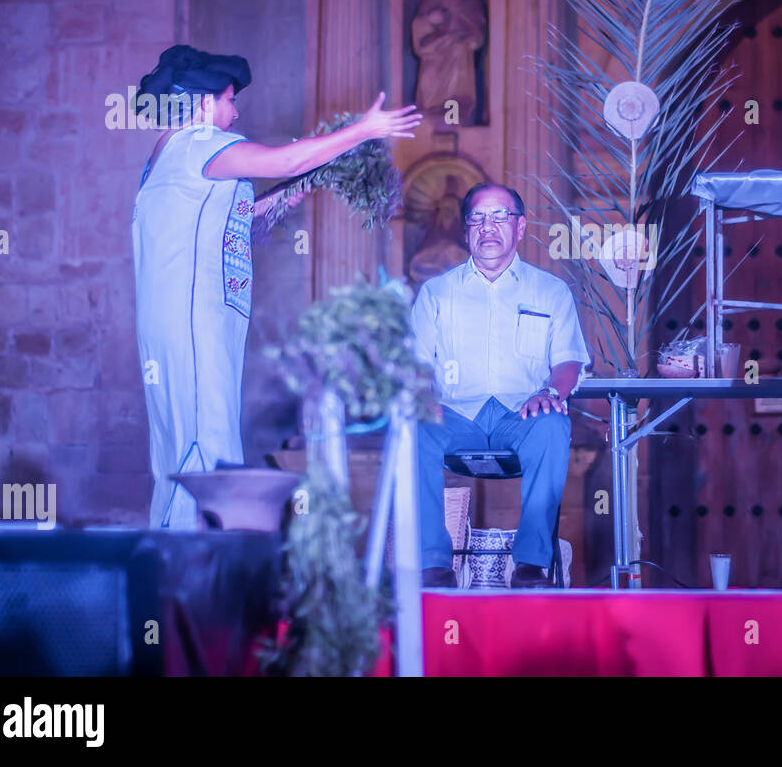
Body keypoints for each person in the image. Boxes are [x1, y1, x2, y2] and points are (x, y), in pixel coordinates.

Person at [133, 44, 422, 528]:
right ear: (204, 104)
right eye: (229, 100)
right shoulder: (197, 142)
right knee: (207, 440)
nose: (235, 110)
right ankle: (200, 564)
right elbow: (285, 160)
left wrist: (294, 191)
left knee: (178, 447)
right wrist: (365, 131)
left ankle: (175, 553)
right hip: (192, 317)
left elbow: (231, 223)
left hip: (175, 319)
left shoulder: (165, 157)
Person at [409, 183, 589, 587]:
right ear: (466, 228)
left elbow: (568, 362)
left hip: (521, 416)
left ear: (521, 227)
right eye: (478, 217)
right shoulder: (437, 293)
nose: (488, 227)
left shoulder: (551, 291)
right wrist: (421, 394)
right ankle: (434, 563)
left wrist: (550, 393)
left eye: (500, 217)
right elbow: (415, 364)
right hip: (455, 415)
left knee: (554, 424)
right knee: (413, 426)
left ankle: (530, 562)